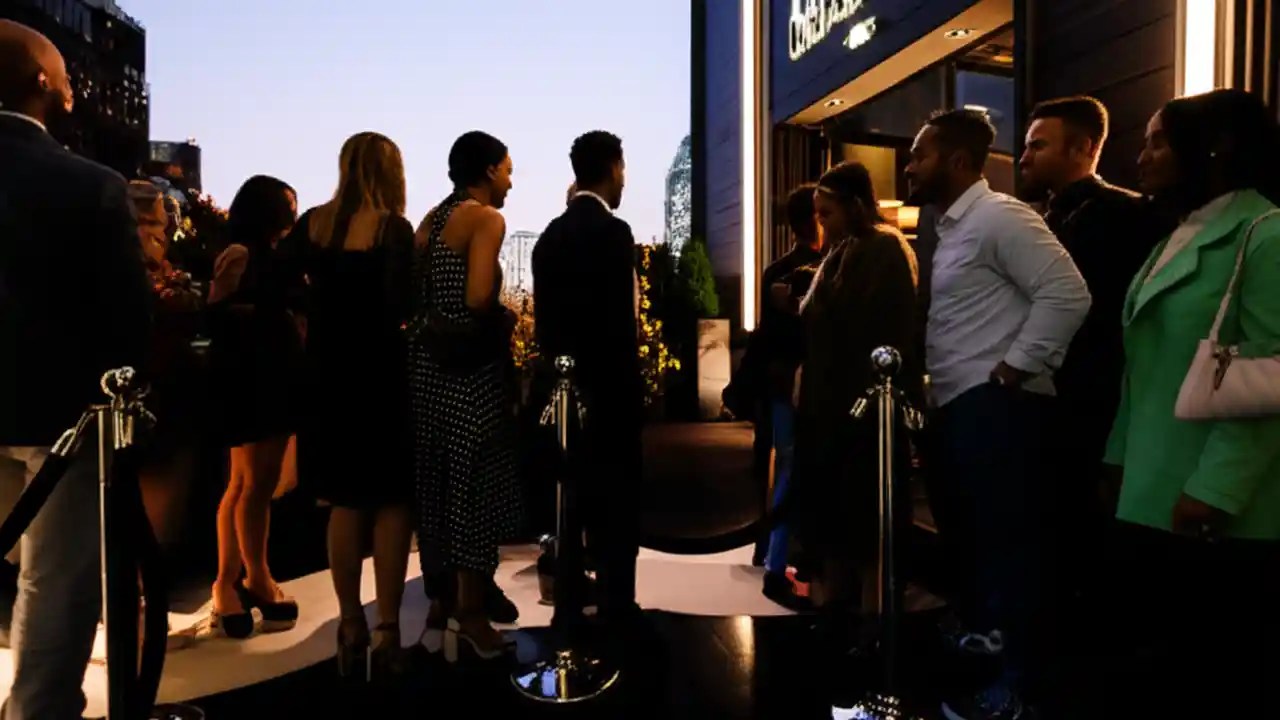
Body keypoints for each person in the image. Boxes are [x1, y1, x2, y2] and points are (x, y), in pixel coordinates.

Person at [906, 109, 1090, 720]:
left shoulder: (999, 216)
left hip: (998, 410)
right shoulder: (954, 228)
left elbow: (1068, 292)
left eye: (920, 155)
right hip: (964, 408)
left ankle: (1019, 693)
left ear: (958, 161)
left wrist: (1015, 366)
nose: (909, 166)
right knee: (986, 548)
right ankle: (993, 649)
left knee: (1014, 555)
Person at [1104, 88, 1280, 717]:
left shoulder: (1266, 234)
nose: (1142, 156)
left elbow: (1271, 380)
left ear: (1214, 147)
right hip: (1151, 489)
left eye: (1159, 141)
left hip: (1215, 507)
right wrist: (1118, 461)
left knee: (1209, 677)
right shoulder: (1178, 234)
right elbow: (1144, 363)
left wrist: (1215, 489)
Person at [0, 20, 152, 720]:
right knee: (56, 582)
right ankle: (39, 710)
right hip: (59, 417)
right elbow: (126, 321)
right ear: (41, 81)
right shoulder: (88, 184)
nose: (72, 85)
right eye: (64, 72)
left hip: (46, 414)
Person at [1019, 98, 1167, 614]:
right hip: (1047, 405)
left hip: (1099, 409)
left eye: (1038, 145)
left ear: (1083, 148)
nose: (1024, 157)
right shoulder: (1040, 220)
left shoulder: (1129, 215)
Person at [289, 132, 415, 680]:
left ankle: (348, 623)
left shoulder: (313, 224)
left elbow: (276, 281)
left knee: (343, 501)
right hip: (380, 375)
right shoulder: (392, 230)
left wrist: (314, 311)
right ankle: (387, 628)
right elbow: (400, 305)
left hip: (327, 378)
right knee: (390, 502)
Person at [787, 163, 919, 618]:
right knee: (837, 525)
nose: (822, 224)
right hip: (831, 409)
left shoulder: (882, 248)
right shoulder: (847, 250)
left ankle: (871, 625)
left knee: (864, 527)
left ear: (855, 206)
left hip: (859, 412)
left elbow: (876, 330)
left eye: (827, 213)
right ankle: (842, 616)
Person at [409, 131, 521, 661]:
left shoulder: (431, 220)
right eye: (507, 170)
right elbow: (477, 297)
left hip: (427, 367)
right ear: (488, 170)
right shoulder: (485, 219)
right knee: (475, 485)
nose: (511, 181)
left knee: (437, 482)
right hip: (470, 373)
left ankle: (442, 602)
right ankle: (472, 615)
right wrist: (505, 315)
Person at [533, 131, 646, 653]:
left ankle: (569, 608)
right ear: (614, 167)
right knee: (618, 507)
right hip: (611, 393)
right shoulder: (614, 232)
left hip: (563, 395)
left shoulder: (550, 236)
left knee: (570, 501)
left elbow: (547, 328)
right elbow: (622, 325)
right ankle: (618, 609)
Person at [204, 175, 302, 639]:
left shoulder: (256, 254)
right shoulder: (245, 254)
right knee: (255, 485)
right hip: (257, 377)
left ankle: (230, 584)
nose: (293, 212)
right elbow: (216, 312)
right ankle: (254, 578)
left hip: (260, 376)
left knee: (244, 484)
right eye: (287, 205)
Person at [752, 183, 825, 609]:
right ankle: (786, 564)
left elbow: (768, 338)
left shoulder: (774, 271)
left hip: (781, 385)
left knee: (785, 467)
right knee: (798, 467)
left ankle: (775, 558)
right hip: (810, 384)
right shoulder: (828, 267)